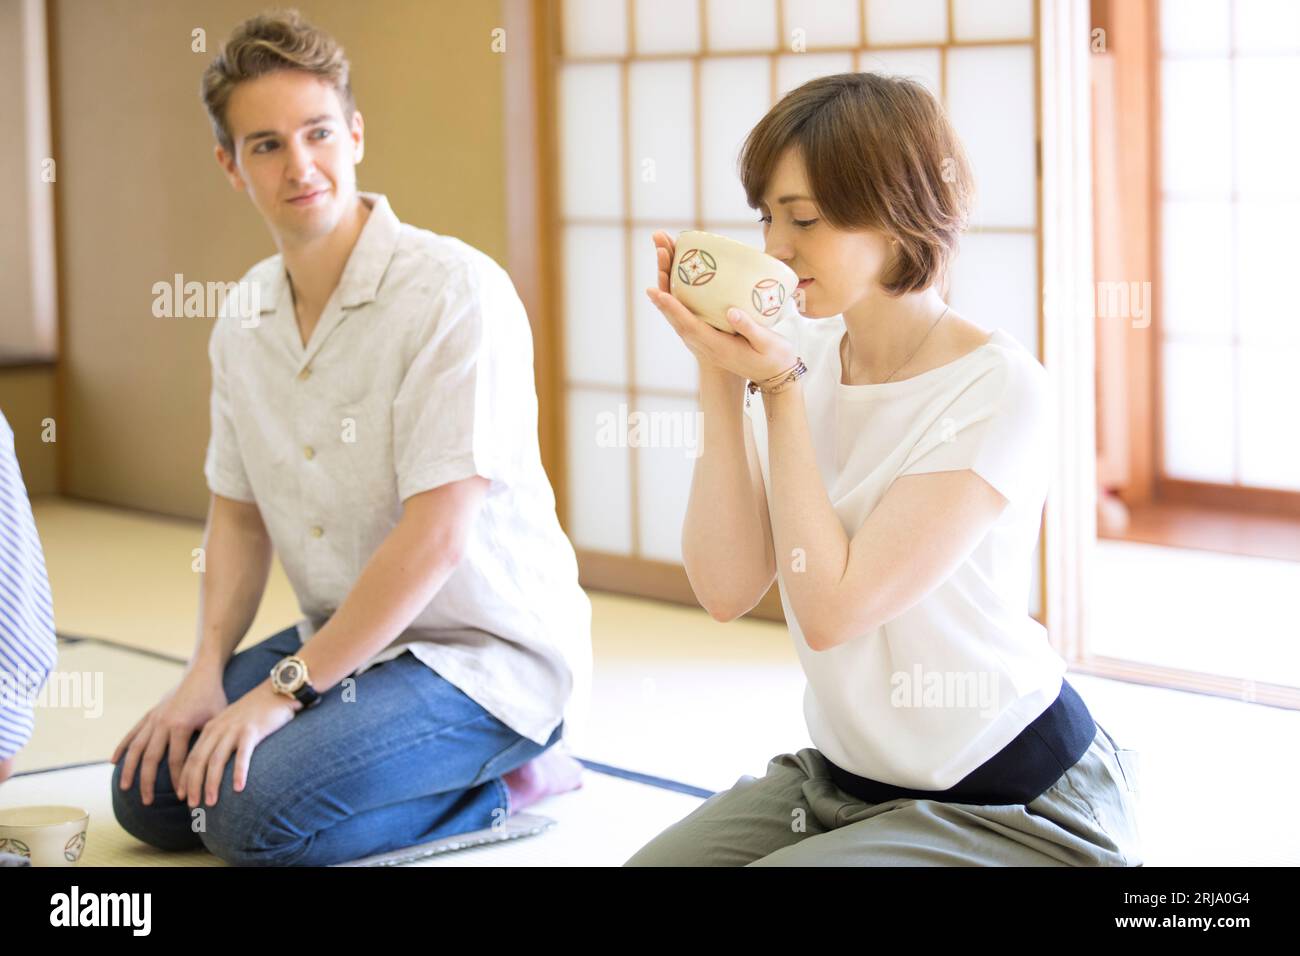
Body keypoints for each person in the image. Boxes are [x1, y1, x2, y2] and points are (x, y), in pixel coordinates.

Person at [110, 9, 590, 867]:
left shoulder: (454, 292)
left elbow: (438, 538)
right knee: (150, 793)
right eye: (265, 145)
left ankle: (507, 780)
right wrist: (202, 674)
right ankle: (368, 756)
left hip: (479, 658)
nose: (300, 166)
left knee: (249, 822)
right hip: (348, 639)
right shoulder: (245, 316)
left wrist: (284, 692)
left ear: (356, 134)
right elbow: (240, 516)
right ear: (230, 165)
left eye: (318, 133)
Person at [626, 72, 1142, 866]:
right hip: (843, 784)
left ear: (902, 220)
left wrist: (777, 391)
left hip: (1006, 797)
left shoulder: (999, 388)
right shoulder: (800, 356)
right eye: (767, 216)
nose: (774, 247)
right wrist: (717, 376)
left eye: (805, 218)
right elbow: (727, 590)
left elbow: (831, 611)